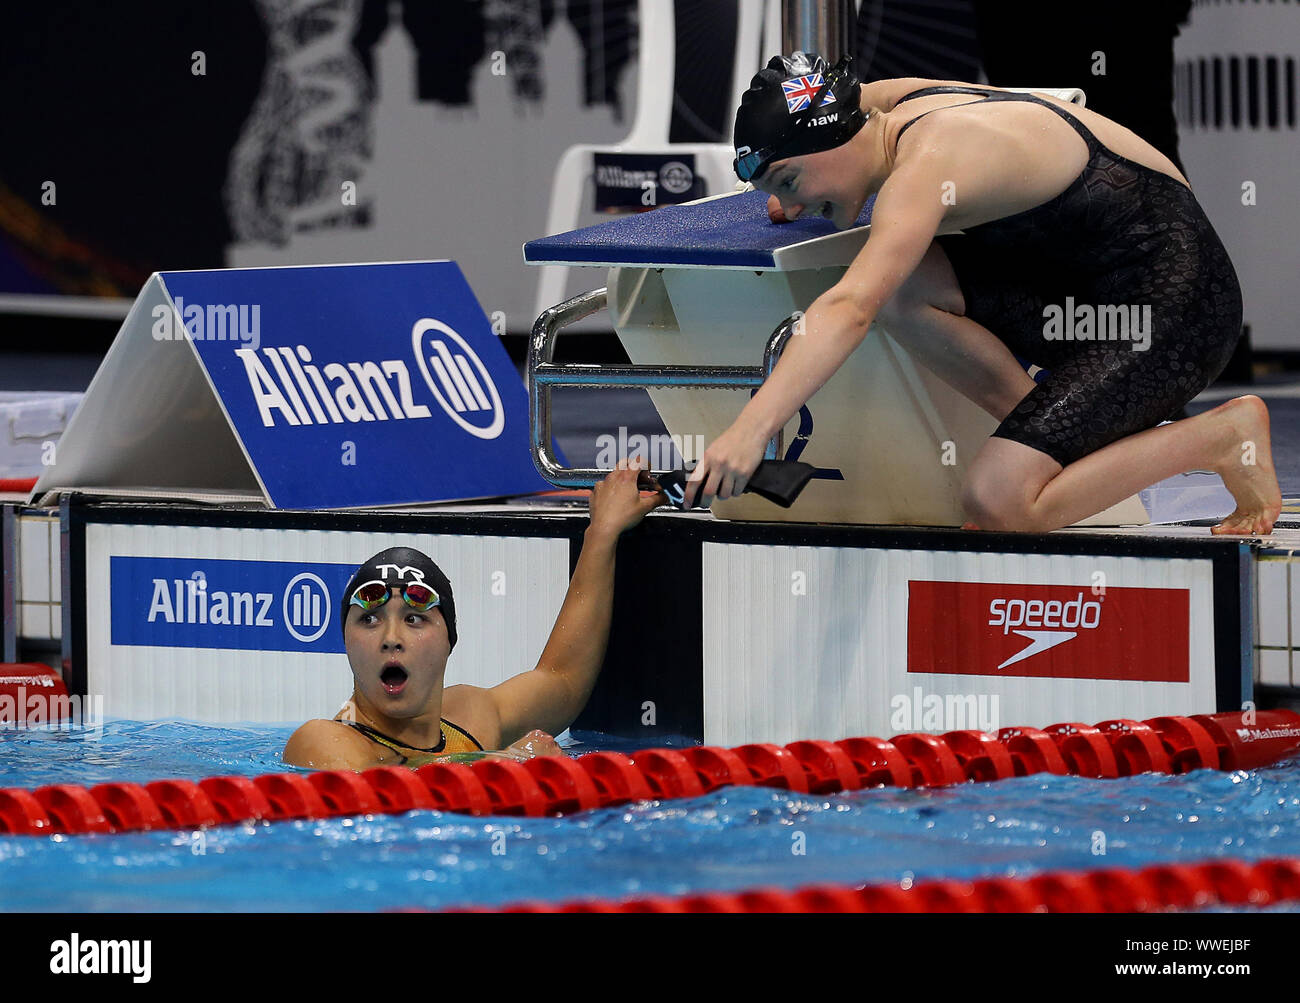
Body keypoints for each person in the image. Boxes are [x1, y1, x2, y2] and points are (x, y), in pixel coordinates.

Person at [687, 53, 1279, 536]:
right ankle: (1056, 444)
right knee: (907, 288)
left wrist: (752, 427)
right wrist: (791, 181)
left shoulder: (929, 163)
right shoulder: (885, 107)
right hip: (1081, 284)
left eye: (789, 181)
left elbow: (848, 307)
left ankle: (1221, 436)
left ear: (834, 141)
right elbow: (838, 97)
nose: (786, 207)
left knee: (998, 503)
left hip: (1177, 309)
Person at [283, 462, 664, 769]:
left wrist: (602, 532)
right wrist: (502, 762)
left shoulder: (470, 716)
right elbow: (383, 804)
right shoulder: (321, 742)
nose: (391, 636)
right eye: (369, 619)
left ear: (450, 639)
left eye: (415, 618)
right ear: (345, 642)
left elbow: (562, 679)